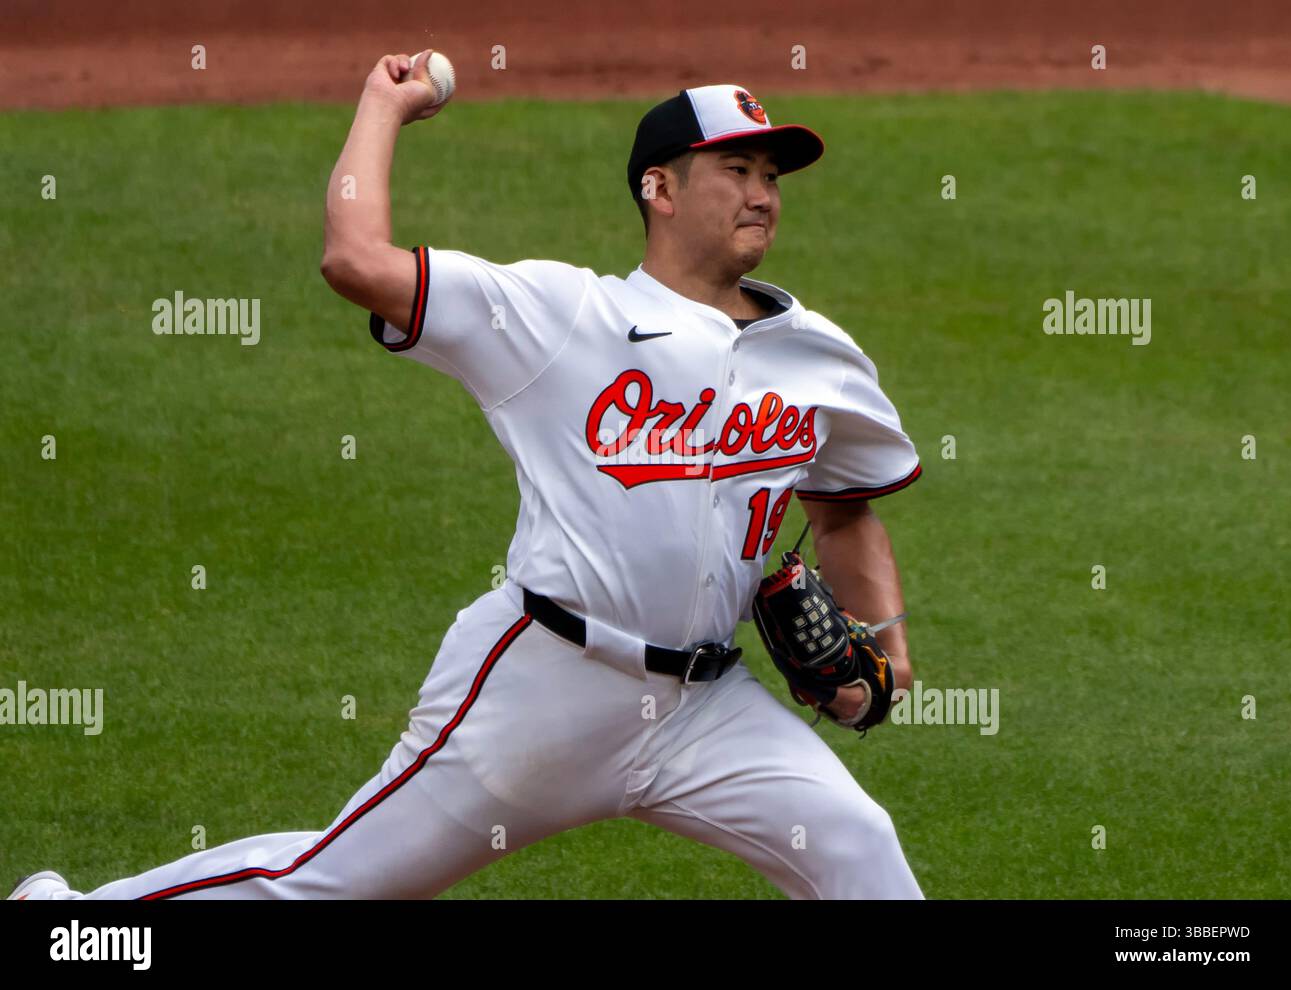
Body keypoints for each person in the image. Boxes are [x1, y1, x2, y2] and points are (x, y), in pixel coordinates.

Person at [10, 52, 924, 901]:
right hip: (547, 687)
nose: (762, 193)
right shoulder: (562, 314)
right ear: (661, 188)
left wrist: (885, 652)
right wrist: (383, 105)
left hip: (705, 711)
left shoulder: (818, 356)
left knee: (859, 845)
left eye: (771, 175)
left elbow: (845, 509)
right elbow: (355, 261)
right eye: (736, 170)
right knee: (329, 886)